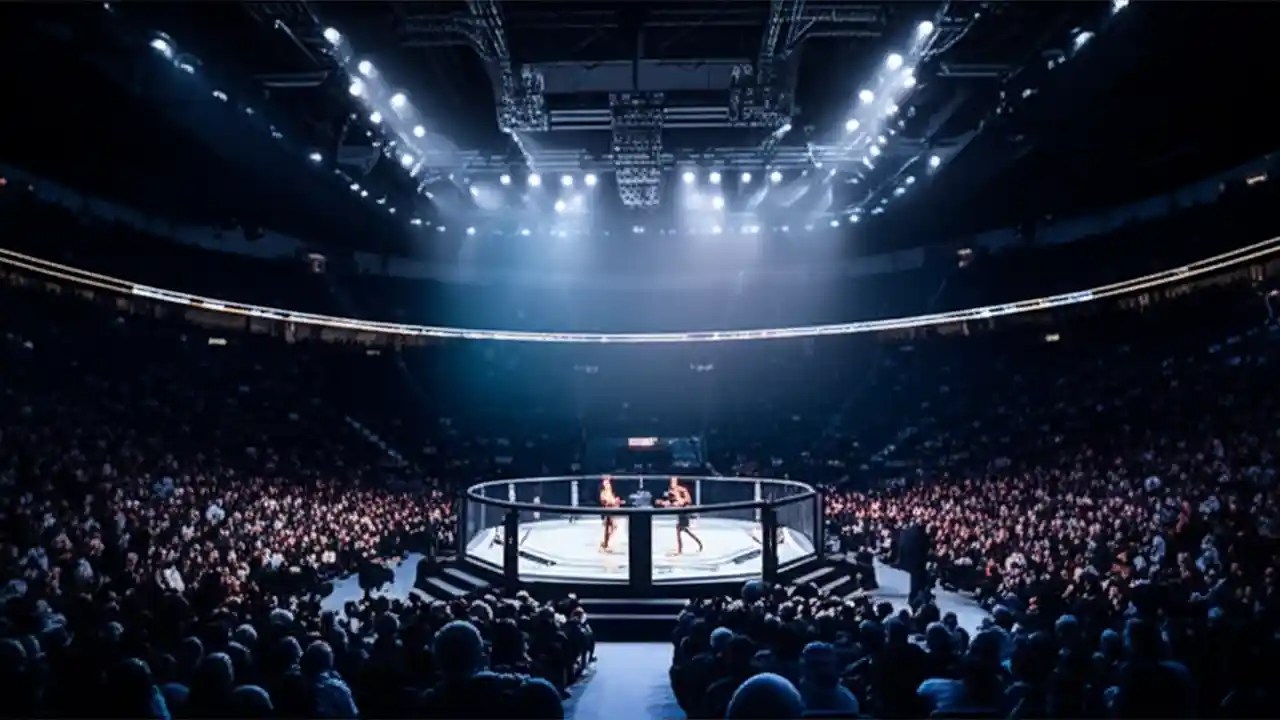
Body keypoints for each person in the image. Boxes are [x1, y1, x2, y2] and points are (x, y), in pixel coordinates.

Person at [657, 476, 704, 555]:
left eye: (674, 481)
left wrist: (678, 499)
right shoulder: (671, 491)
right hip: (680, 512)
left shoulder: (682, 490)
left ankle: (682, 549)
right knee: (681, 529)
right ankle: (695, 545)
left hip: (685, 511)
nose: (672, 483)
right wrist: (663, 502)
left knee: (681, 529)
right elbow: (670, 501)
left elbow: (687, 500)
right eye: (671, 481)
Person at [599, 476, 622, 552]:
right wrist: (613, 502)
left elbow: (613, 501)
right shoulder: (603, 493)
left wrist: (616, 501)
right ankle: (605, 544)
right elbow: (605, 501)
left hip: (611, 511)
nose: (608, 484)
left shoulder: (610, 493)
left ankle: (605, 543)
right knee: (608, 528)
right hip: (607, 512)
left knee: (613, 527)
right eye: (606, 483)